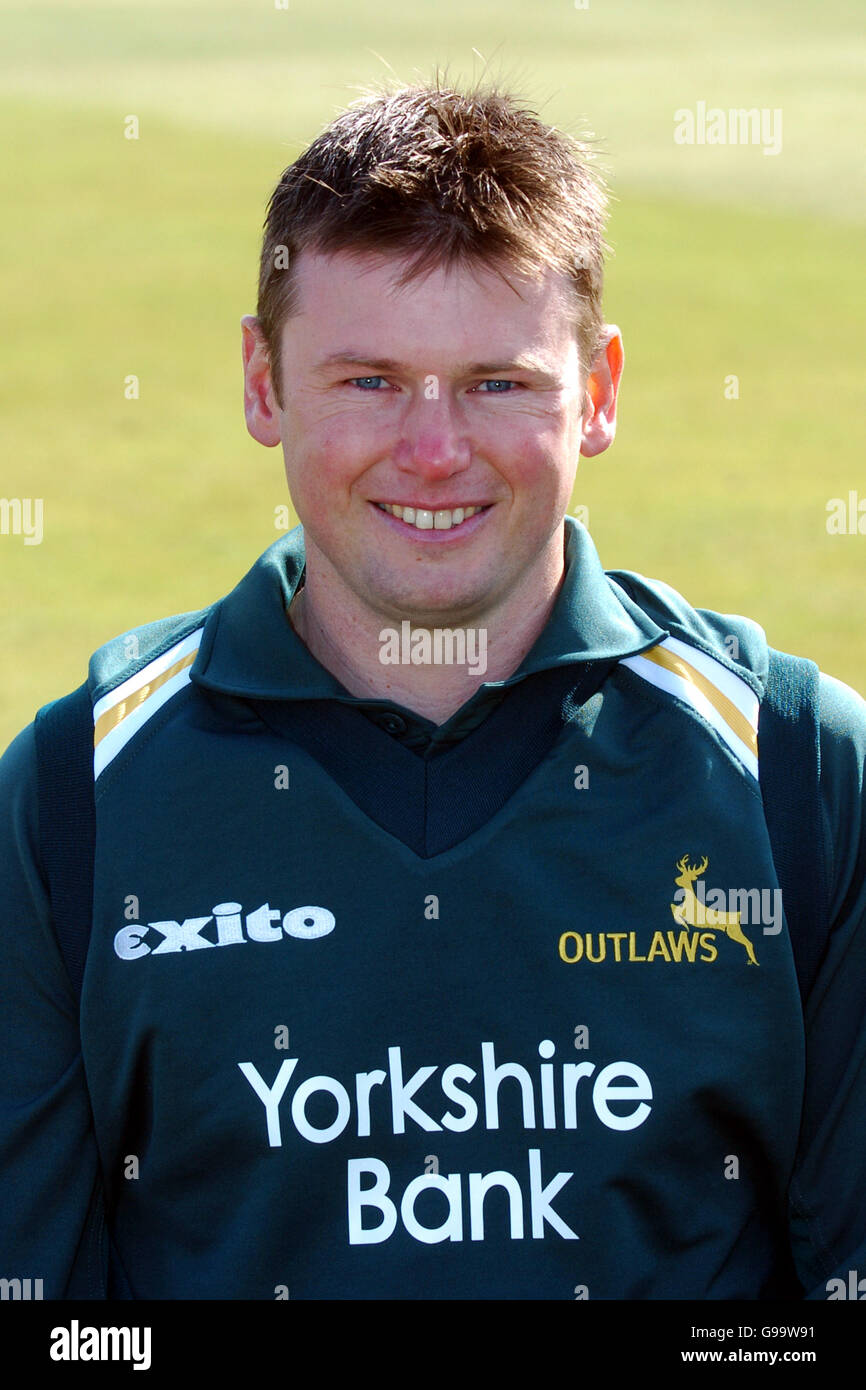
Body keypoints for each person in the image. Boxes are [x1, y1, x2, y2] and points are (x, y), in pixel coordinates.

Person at [1, 80, 864, 1302]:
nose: (432, 451)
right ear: (262, 382)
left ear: (600, 390)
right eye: (366, 380)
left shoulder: (799, 773)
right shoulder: (68, 800)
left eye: (496, 382)